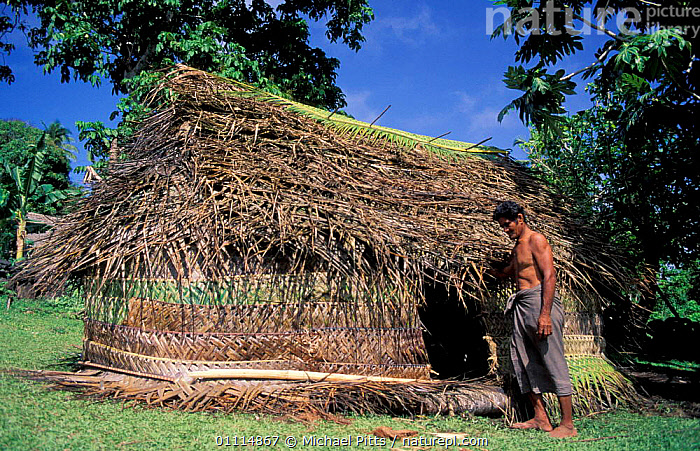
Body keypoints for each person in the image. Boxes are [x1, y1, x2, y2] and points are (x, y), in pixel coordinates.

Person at [489, 201, 577, 438]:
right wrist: (487, 270)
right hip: (522, 305)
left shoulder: (536, 240)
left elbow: (549, 275)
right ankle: (541, 418)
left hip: (540, 303)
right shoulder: (517, 248)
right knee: (523, 360)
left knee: (553, 360)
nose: (505, 230)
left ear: (520, 218)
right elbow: (510, 271)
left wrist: (545, 314)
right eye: (502, 227)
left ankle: (567, 424)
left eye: (507, 225)